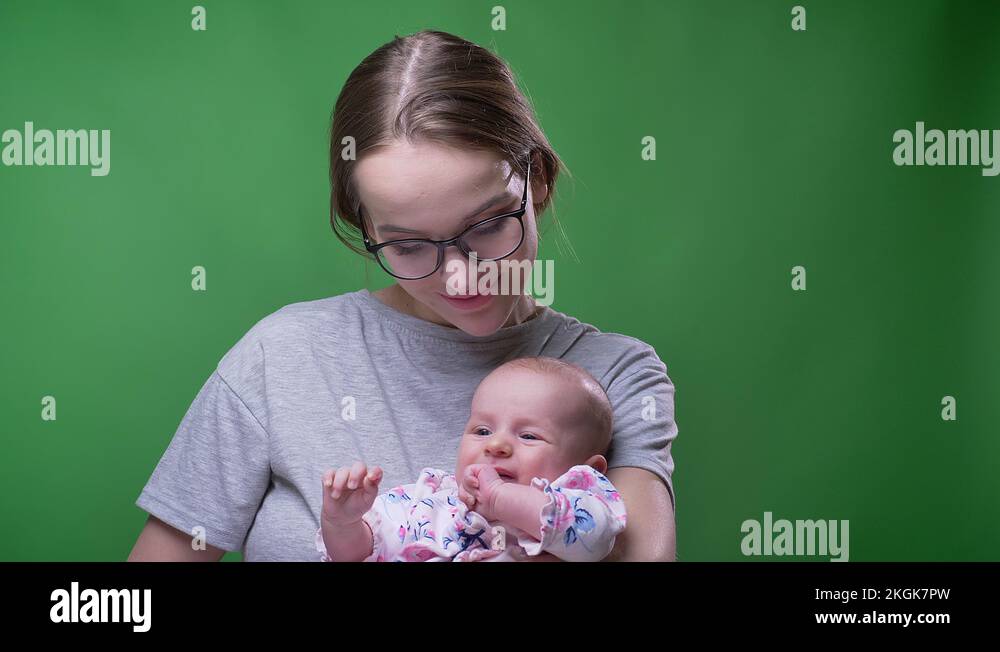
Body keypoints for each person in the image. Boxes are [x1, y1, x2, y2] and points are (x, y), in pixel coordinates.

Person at [128, 29, 678, 562]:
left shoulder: (615, 377)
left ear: (538, 183)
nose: (461, 279)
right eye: (409, 245)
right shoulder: (281, 357)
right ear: (363, 225)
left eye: (487, 225)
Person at [317, 357, 627, 562]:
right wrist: (342, 523)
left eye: (529, 436)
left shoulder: (577, 508)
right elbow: (359, 554)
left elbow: (594, 537)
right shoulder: (427, 500)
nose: (496, 444)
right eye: (482, 430)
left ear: (587, 472)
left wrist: (500, 498)